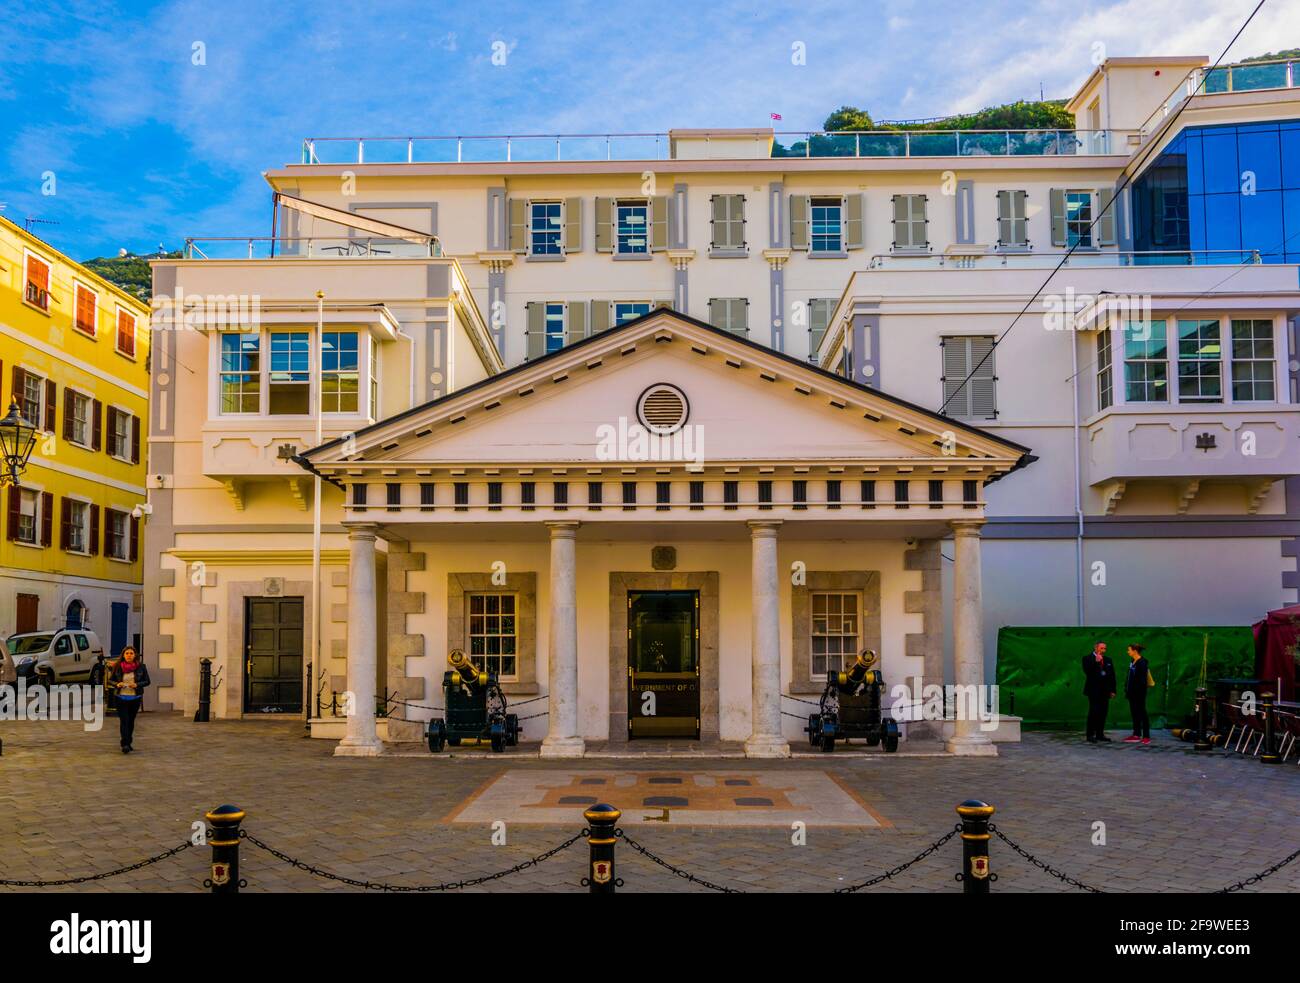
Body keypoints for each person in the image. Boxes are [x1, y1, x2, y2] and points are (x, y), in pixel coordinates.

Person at [109, 646, 150, 753]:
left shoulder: (141, 667)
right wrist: (117, 684)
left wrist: (137, 684)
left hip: (135, 697)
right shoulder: (118, 666)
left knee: (131, 721)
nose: (129, 655)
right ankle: (125, 744)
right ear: (123, 655)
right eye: (127, 653)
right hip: (120, 698)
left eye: (131, 653)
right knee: (124, 720)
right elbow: (110, 680)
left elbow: (147, 681)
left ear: (135, 655)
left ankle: (129, 741)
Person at [1081, 641, 1116, 743]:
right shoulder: (1087, 659)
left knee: (1103, 713)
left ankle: (1100, 734)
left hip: (1105, 691)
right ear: (1095, 648)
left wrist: (1113, 690)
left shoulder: (1108, 660)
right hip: (1093, 691)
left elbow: (1112, 676)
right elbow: (1088, 672)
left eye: (1105, 648)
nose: (1103, 650)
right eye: (1101, 648)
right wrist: (1096, 661)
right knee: (1093, 712)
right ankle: (1090, 735)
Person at [1124, 644, 1152, 745]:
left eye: (1129, 650)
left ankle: (1146, 736)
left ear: (1135, 651)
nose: (1128, 652)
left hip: (1139, 694)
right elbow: (1130, 677)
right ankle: (1136, 734)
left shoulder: (1142, 662)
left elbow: (1142, 681)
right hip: (1131, 693)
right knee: (1134, 713)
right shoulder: (1132, 661)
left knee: (1142, 714)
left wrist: (1137, 693)